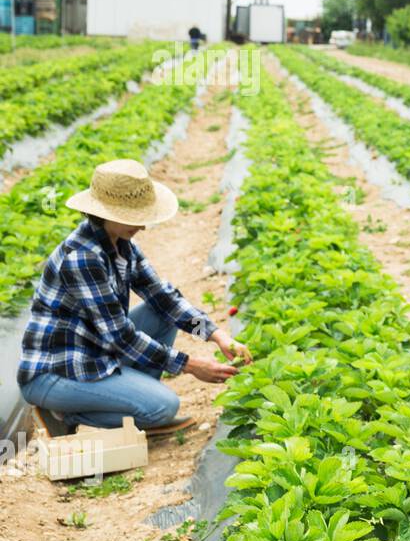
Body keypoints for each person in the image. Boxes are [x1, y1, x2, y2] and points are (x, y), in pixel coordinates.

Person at [16, 159, 252, 436]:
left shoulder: (123, 246)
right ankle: (70, 414)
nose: (142, 226)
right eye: (133, 217)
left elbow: (164, 299)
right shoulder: (82, 257)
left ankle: (135, 406)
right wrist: (190, 365)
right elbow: (120, 336)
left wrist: (216, 335)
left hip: (94, 354)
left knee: (159, 312)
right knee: (164, 407)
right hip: (56, 373)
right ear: (104, 213)